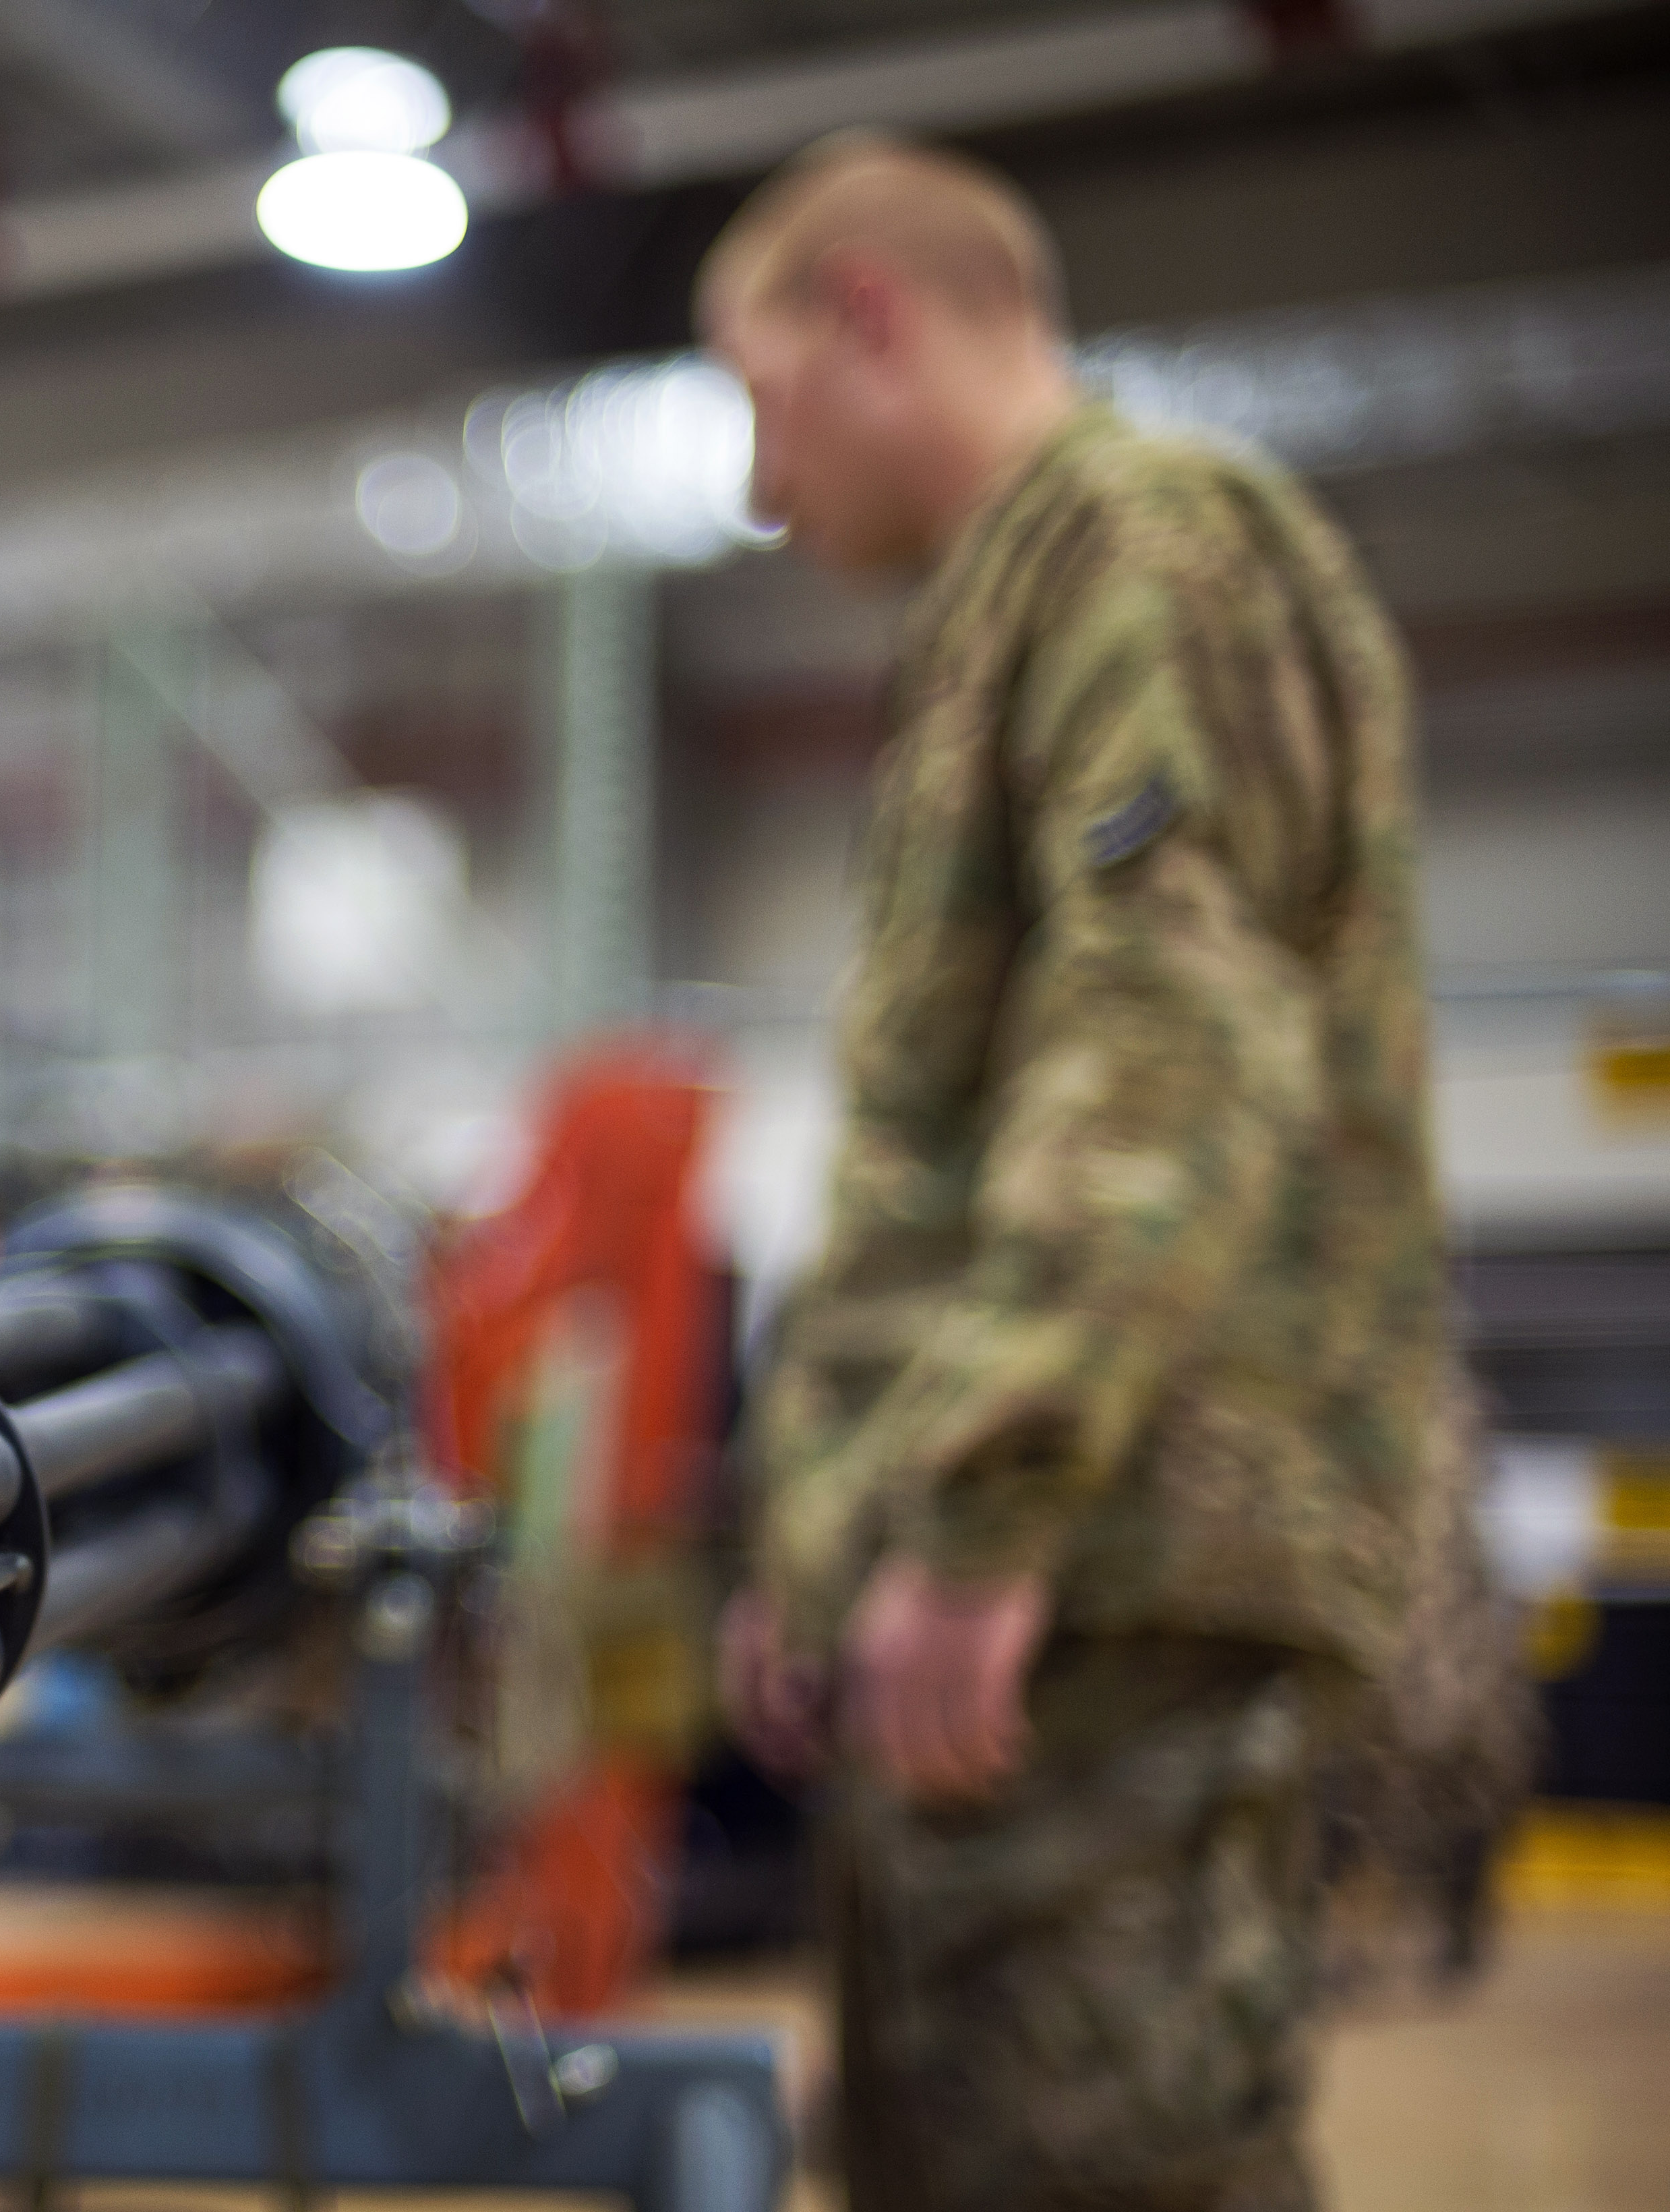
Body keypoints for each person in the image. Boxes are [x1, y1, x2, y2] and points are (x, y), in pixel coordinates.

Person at [701, 135, 1449, 2211]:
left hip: (1103, 1553)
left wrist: (983, 1497)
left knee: (1091, 2164)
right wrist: (837, 1529)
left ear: (869, 314)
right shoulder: (1009, 605)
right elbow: (956, 1141)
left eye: (762, 401)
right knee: (956, 2149)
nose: (765, 487)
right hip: (1022, 1560)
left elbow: (1164, 1042)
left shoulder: (1147, 545)